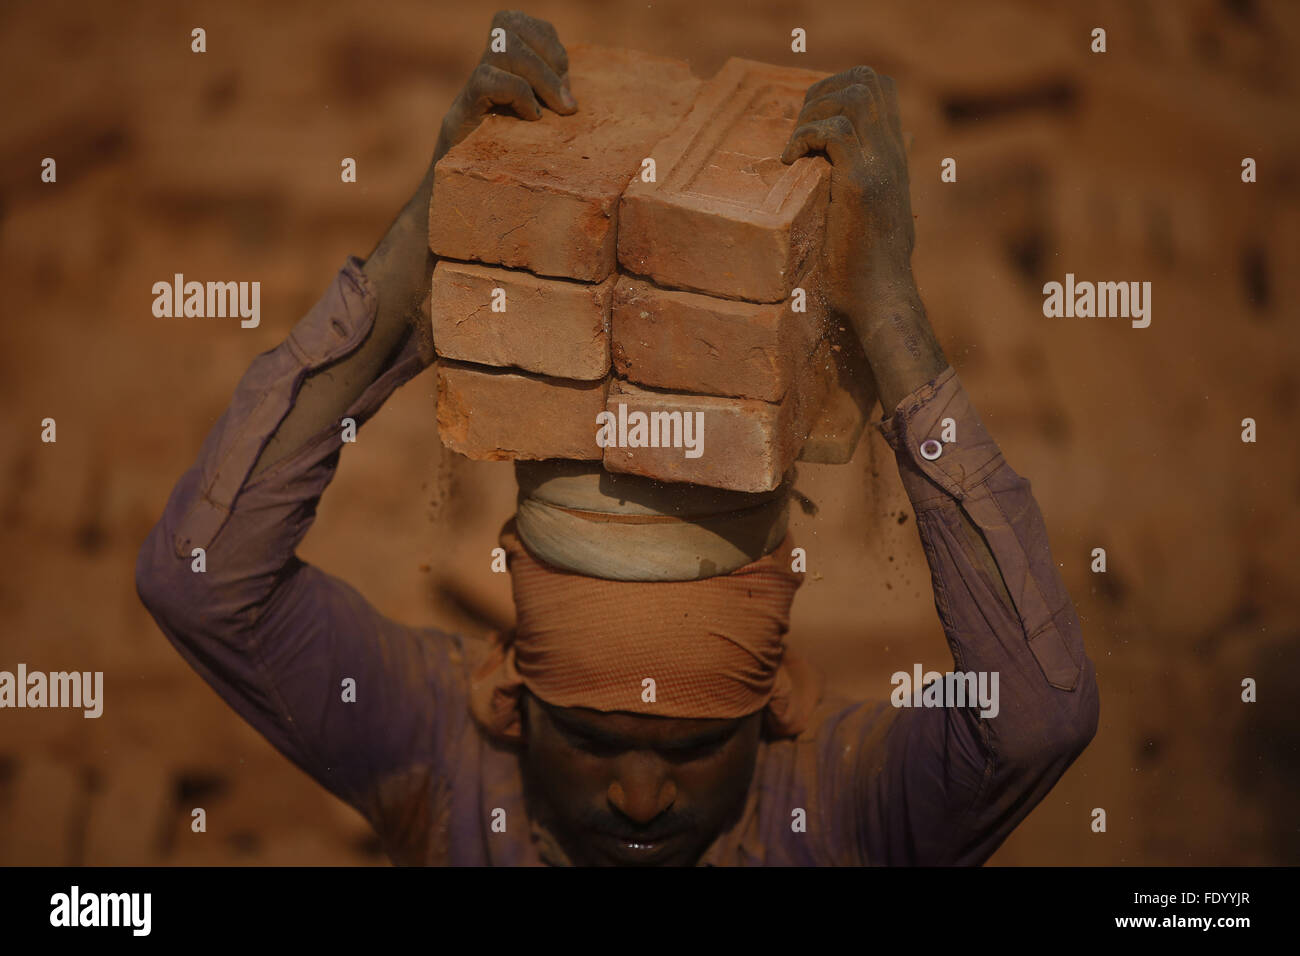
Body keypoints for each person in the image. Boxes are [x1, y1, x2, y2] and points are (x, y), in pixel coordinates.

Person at [135, 10, 1098, 866]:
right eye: (591, 741)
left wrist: (885, 316)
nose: (641, 798)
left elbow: (1037, 724)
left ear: (770, 708)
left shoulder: (839, 809)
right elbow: (201, 579)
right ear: (514, 695)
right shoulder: (444, 756)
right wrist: (422, 255)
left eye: (692, 746)